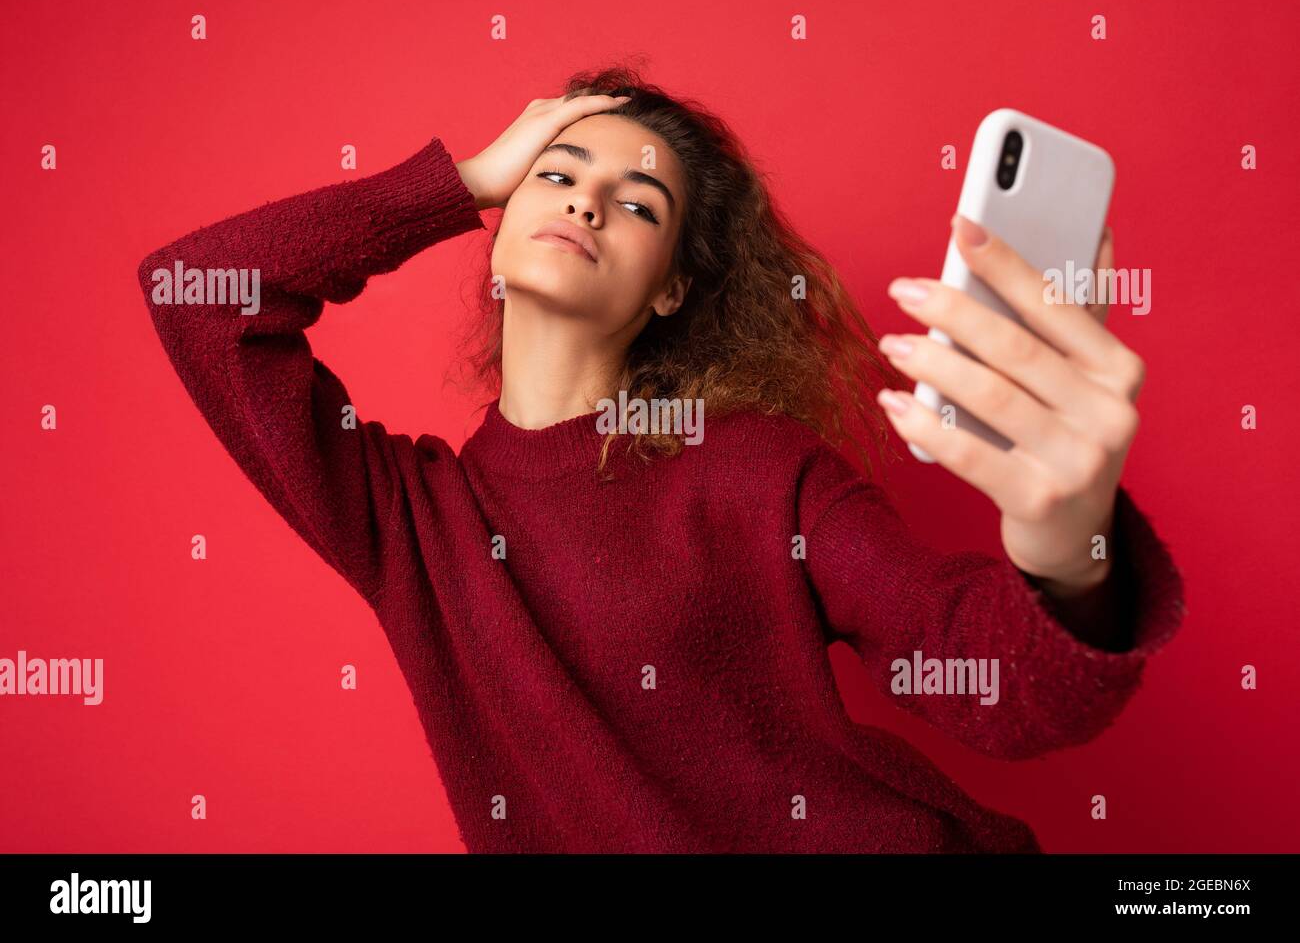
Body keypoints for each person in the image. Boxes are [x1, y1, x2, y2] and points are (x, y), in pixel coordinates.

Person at [136, 66, 1186, 853]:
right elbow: (198, 293)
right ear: (495, 227)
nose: (585, 201)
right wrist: (456, 182)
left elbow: (991, 684)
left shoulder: (757, 468)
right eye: (555, 175)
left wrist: (1069, 549)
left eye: (639, 203)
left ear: (671, 289)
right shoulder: (417, 522)